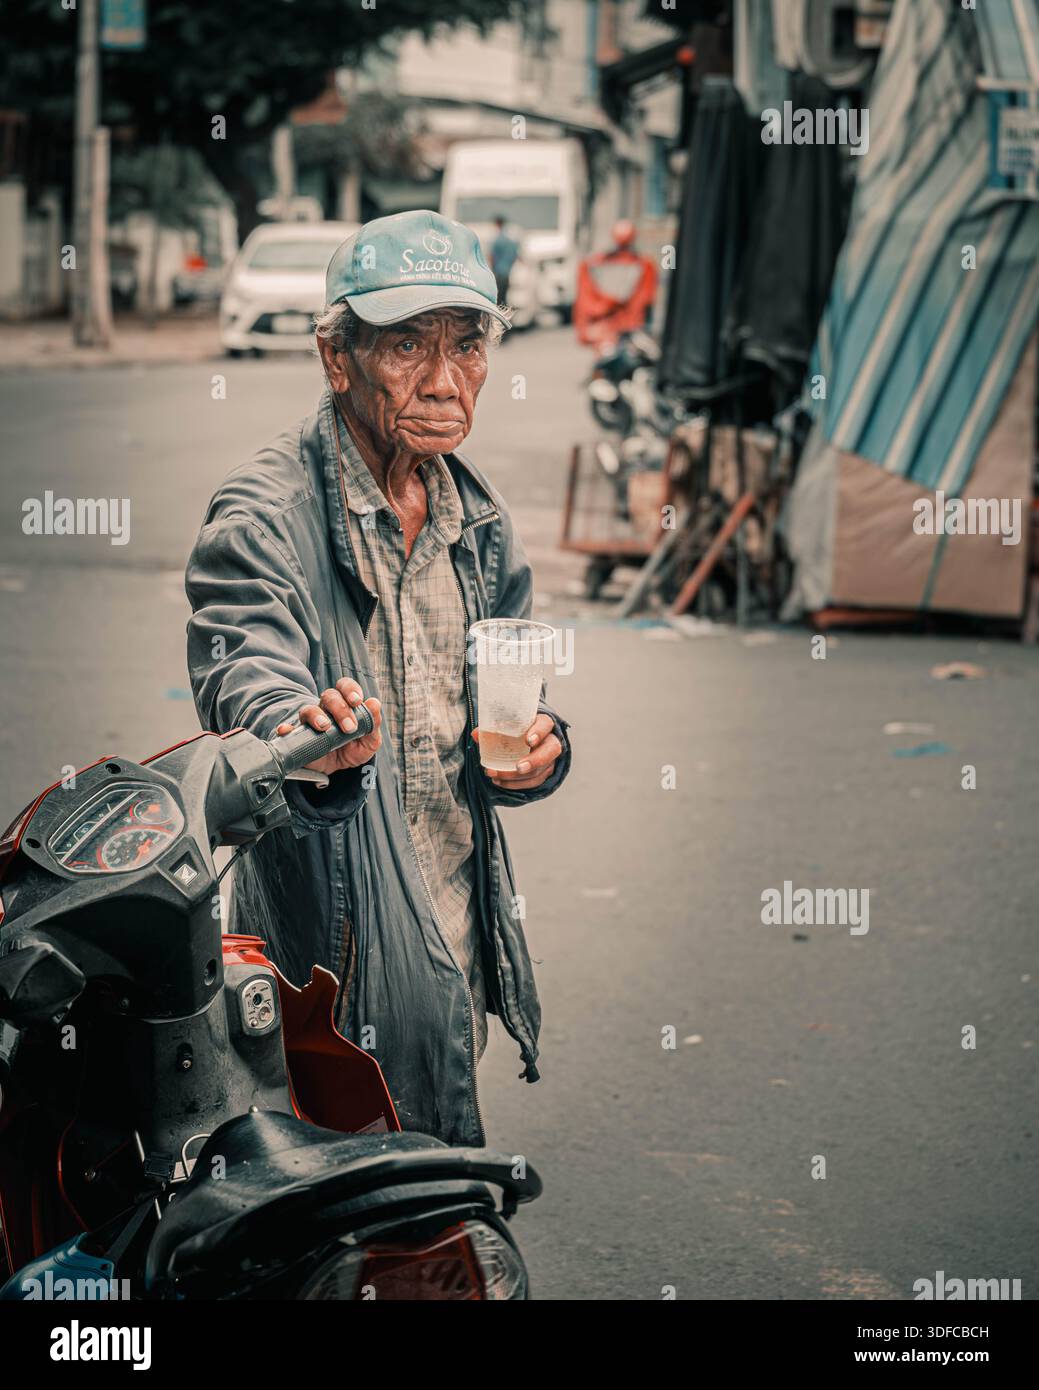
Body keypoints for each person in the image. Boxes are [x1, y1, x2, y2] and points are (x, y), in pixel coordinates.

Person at [185, 209, 571, 1146]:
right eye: (407, 346)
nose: (446, 382)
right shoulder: (264, 511)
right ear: (337, 356)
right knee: (336, 1221)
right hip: (329, 954)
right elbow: (245, 671)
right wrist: (301, 729)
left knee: (427, 1210)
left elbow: (511, 714)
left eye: (467, 344)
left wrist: (539, 756)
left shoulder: (476, 520)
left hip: (455, 934)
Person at [574, 218, 658, 349]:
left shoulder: (592, 264)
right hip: (626, 328)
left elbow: (585, 301)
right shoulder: (645, 265)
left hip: (612, 327)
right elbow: (647, 299)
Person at [489, 214, 520, 308]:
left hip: (498, 273)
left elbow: (492, 257)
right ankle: (506, 317)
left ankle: (498, 319)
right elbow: (515, 255)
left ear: (497, 224)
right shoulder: (511, 241)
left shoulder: (498, 240)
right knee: (504, 297)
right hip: (507, 273)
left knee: (497, 297)